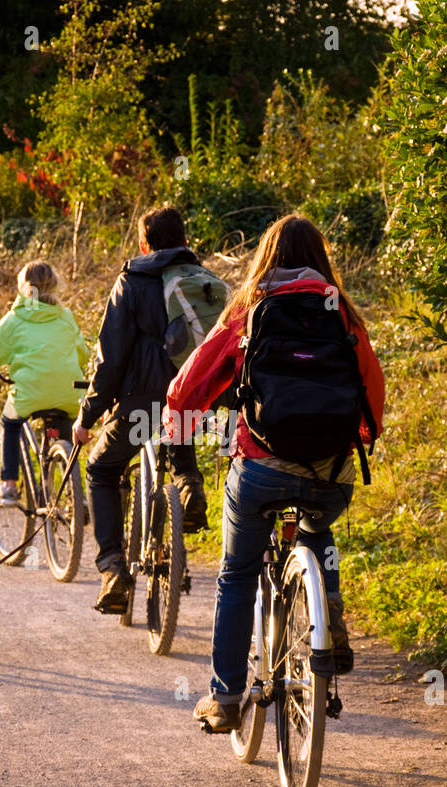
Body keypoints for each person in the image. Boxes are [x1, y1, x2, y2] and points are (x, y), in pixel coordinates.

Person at [164, 215, 385, 732]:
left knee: (237, 572)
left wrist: (188, 425)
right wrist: (354, 441)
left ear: (266, 256)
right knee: (316, 527)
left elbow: (184, 389)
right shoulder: (342, 312)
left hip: (260, 468)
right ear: (321, 258)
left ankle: (224, 698)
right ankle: (327, 610)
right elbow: (372, 398)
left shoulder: (249, 309)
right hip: (330, 474)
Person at [73, 207, 209, 614]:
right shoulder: (202, 281)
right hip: (191, 399)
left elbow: (111, 359)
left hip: (141, 403)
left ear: (144, 243)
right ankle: (189, 490)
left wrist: (88, 416)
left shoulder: (131, 282)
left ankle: (113, 568)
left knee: (101, 469)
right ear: (184, 238)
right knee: (179, 443)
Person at [0, 261, 89, 503]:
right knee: (66, 427)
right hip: (69, 391)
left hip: (30, 393)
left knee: (10, 421)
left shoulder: (15, 319)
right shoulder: (65, 316)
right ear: (55, 284)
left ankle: (9, 485)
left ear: (23, 287)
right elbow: (83, 353)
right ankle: (75, 494)